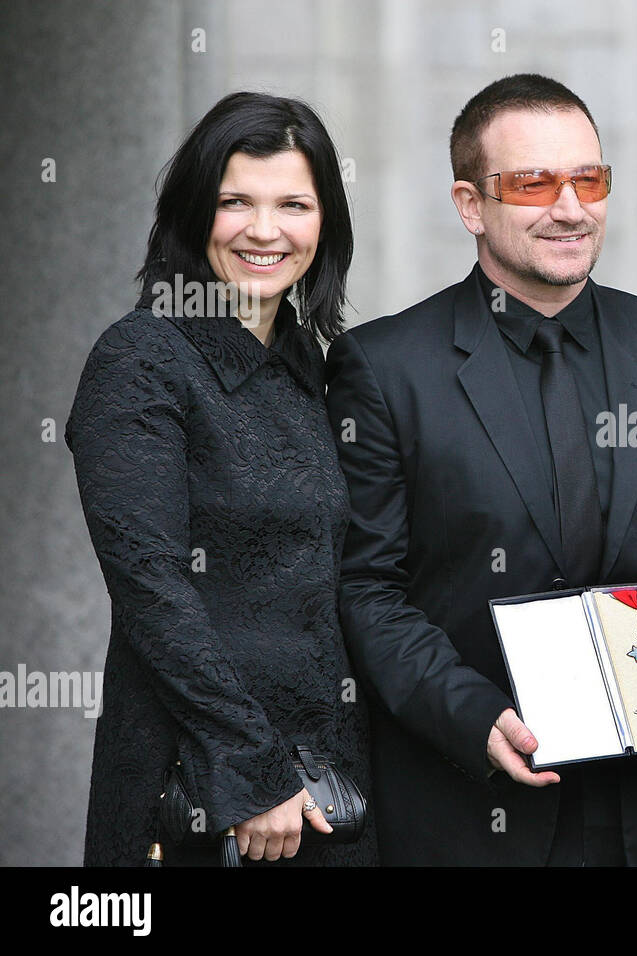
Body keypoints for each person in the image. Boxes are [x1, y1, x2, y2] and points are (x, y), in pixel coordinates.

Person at [325, 73, 637, 865]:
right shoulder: (386, 368)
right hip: (470, 812)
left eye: (588, 179)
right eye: (534, 182)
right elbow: (367, 588)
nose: (570, 208)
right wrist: (474, 717)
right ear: (470, 204)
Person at [66, 91, 376, 866]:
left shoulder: (309, 364)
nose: (264, 230)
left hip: (325, 786)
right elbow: (151, 587)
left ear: (325, 222)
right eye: (235, 201)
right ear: (193, 212)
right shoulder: (142, 358)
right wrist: (252, 769)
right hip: (199, 788)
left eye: (293, 204)